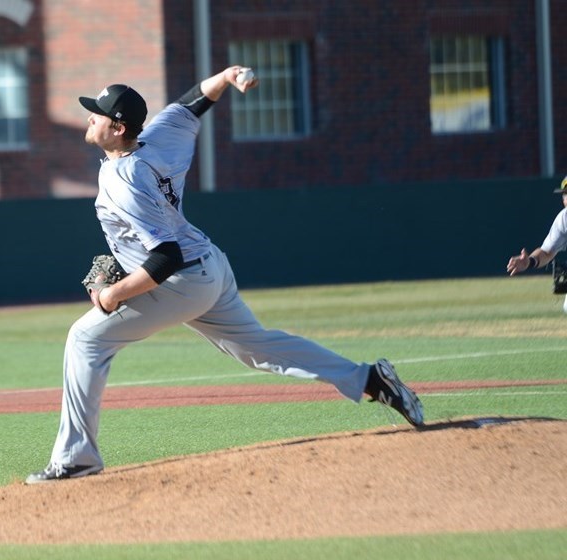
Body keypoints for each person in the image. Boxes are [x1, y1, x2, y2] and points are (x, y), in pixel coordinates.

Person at [24, 66, 425, 484]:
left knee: (86, 338)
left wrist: (114, 295)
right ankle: (370, 379)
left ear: (118, 127)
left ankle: (76, 457)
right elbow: (193, 102)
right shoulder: (157, 138)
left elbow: (164, 259)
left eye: (99, 113)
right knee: (258, 348)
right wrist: (228, 76)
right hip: (210, 267)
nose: (91, 117)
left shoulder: (123, 180)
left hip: (180, 279)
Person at [505, 175, 567, 312]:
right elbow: (547, 252)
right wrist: (530, 262)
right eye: (565, 195)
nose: (566, 199)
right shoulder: (564, 219)